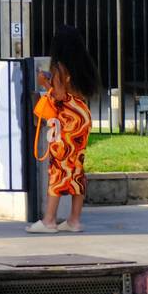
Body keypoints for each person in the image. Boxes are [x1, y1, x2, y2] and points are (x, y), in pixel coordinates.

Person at [29, 26, 98, 234]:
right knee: (76, 169)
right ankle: (74, 220)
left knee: (58, 168)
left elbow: (59, 96)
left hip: (66, 122)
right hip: (82, 119)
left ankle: (49, 220)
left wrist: (44, 82)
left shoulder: (59, 67)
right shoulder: (84, 65)